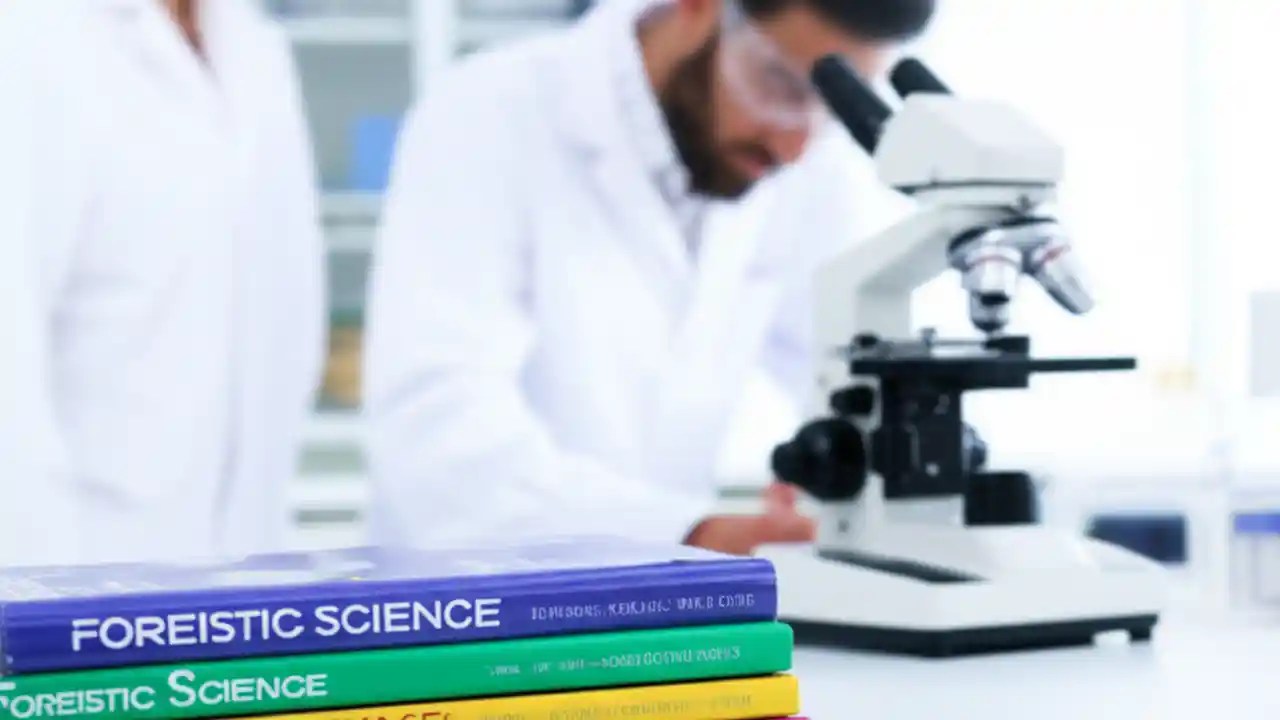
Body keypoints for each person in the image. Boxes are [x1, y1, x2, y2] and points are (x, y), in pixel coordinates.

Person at [364, 0, 933, 555]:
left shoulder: (804, 165)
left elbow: (833, 358)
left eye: (833, 106)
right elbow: (436, 430)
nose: (794, 144)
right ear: (696, 7)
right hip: (477, 604)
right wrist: (684, 534)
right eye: (781, 85)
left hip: (664, 610)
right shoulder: (489, 111)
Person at [0, 0, 325, 566]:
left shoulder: (252, 45)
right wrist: (39, 618)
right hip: (77, 569)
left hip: (239, 567)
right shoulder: (30, 36)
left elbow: (281, 322)